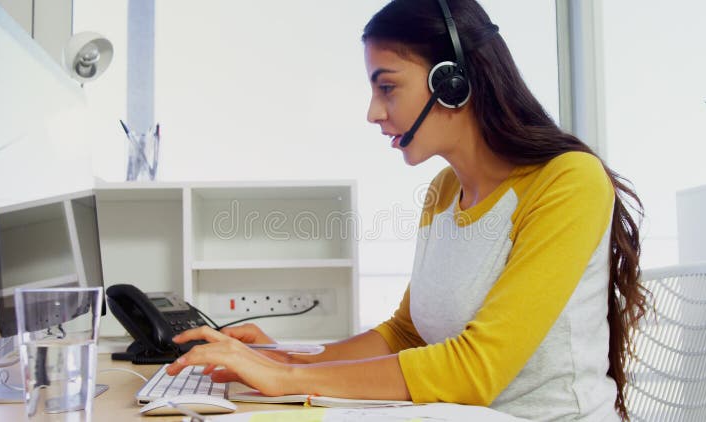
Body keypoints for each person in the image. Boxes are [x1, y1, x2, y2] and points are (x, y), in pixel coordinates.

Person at [166, 0, 646, 420]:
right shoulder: (443, 191)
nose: (373, 112)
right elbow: (406, 334)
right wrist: (284, 358)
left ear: (452, 82)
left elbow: (475, 370)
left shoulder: (567, 181)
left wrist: (288, 378)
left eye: (388, 87)